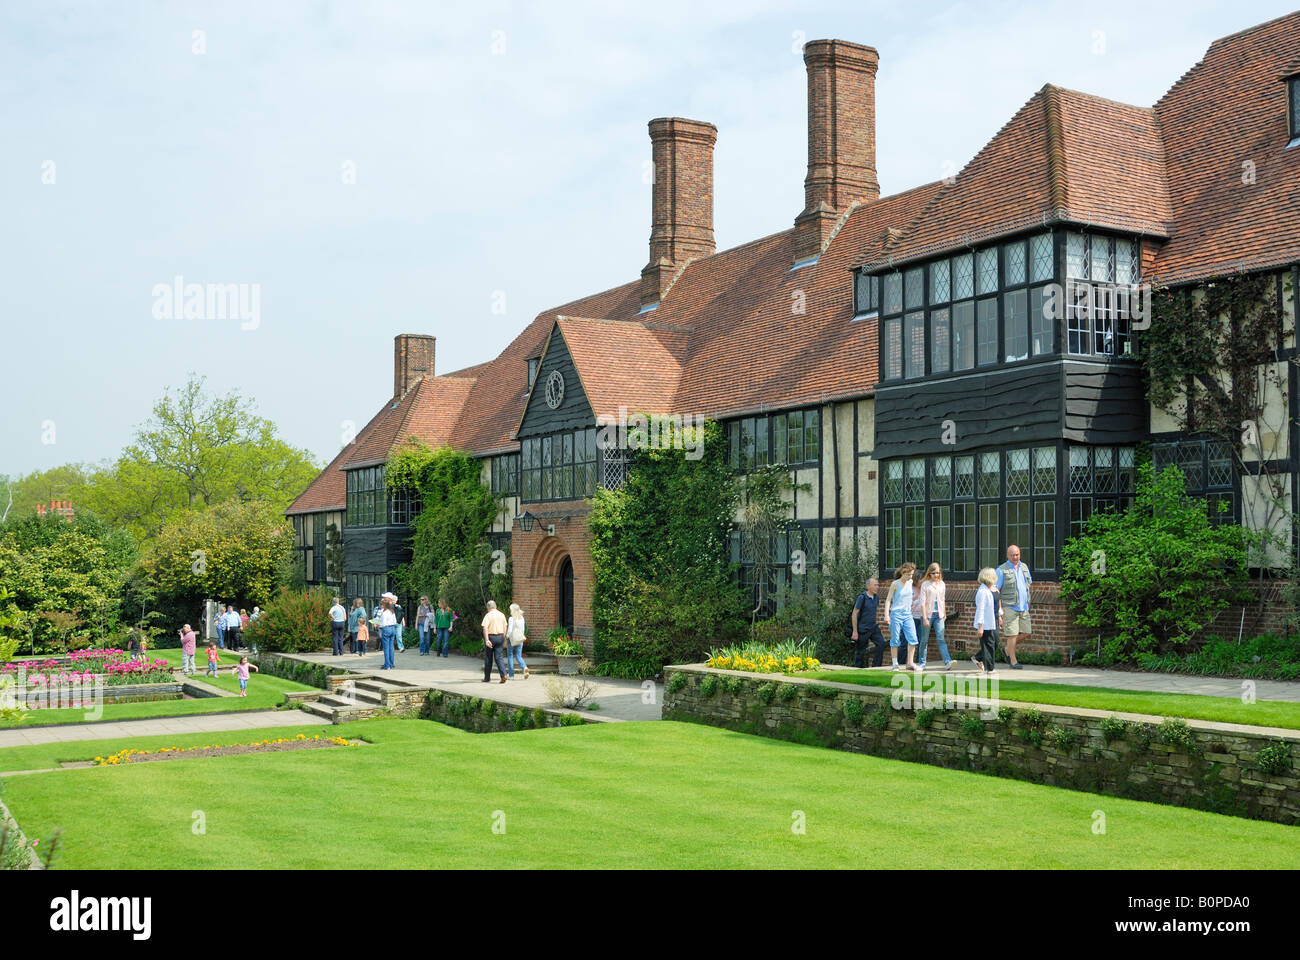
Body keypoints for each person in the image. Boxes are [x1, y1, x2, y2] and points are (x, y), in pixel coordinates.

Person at [995, 544, 1032, 669]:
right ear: (1007, 555)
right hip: (1009, 607)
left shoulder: (1024, 567)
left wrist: (1028, 601)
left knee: (1027, 632)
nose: (1015, 557)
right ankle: (1013, 661)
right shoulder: (1001, 570)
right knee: (1012, 634)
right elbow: (996, 591)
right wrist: (1000, 611)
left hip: (1023, 607)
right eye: (1012, 555)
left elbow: (1028, 586)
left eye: (1017, 555)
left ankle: (1006, 649)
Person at [915, 563, 955, 670]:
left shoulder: (942, 584)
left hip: (939, 615)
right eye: (933, 573)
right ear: (929, 573)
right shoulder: (925, 584)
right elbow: (923, 602)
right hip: (928, 614)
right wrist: (924, 618)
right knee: (924, 640)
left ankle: (947, 662)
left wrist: (944, 613)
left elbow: (942, 600)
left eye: (937, 573)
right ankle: (922, 663)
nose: (936, 575)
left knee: (941, 639)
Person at [883, 562, 919, 672]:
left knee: (913, 639)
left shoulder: (911, 582)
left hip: (908, 615)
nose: (910, 577)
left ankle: (910, 663)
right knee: (895, 639)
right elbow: (888, 600)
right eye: (908, 574)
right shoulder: (895, 584)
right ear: (903, 573)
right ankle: (895, 664)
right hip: (896, 614)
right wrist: (886, 615)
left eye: (912, 574)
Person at [850, 578, 885, 668]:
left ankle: (876, 667)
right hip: (862, 629)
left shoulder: (876, 597)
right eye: (875, 585)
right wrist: (855, 631)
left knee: (881, 644)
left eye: (878, 585)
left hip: (873, 628)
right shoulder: (862, 598)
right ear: (868, 586)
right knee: (860, 651)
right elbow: (854, 614)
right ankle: (858, 669)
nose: (877, 587)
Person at [971, 567, 1000, 676]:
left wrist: (1000, 616)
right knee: (989, 645)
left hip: (994, 620)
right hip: (986, 622)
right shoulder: (983, 591)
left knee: (995, 642)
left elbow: (997, 604)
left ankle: (978, 658)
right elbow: (981, 609)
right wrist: (980, 626)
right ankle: (990, 668)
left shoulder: (993, 588)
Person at [481, 600, 508, 684]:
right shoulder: (501, 615)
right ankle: (503, 674)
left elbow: (485, 628)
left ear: (488, 607)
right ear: (495, 606)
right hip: (500, 636)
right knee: (499, 657)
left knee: (488, 658)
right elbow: (505, 626)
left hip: (491, 637)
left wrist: (487, 640)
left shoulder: (488, 615)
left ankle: (487, 678)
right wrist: (503, 637)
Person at [505, 603, 529, 679]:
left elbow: (510, 629)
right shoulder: (522, 618)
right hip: (519, 638)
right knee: (519, 656)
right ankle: (524, 667)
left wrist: (507, 637)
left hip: (512, 639)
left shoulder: (511, 618)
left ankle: (511, 676)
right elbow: (523, 629)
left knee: (510, 656)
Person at [378, 593, 399, 670]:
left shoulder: (384, 613)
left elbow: (382, 623)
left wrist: (378, 624)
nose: (381, 606)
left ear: (384, 605)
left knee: (386, 648)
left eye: (381, 605)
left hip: (386, 629)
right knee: (391, 647)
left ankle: (387, 665)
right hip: (392, 628)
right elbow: (395, 621)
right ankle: (391, 663)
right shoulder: (392, 611)